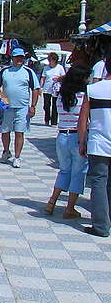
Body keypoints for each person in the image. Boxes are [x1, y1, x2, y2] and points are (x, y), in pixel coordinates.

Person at [45, 64, 89, 219]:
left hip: (62, 136)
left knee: (64, 170)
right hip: (77, 137)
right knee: (78, 173)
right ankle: (70, 208)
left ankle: (52, 202)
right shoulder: (84, 97)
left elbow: (57, 83)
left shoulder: (61, 95)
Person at [76, 59, 111, 237]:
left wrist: (82, 141)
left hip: (99, 144)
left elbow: (83, 118)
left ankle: (101, 225)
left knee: (98, 182)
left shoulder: (93, 89)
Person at [0, 48, 40, 168]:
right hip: (7, 107)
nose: (19, 59)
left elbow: (35, 89)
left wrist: (33, 106)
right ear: (12, 58)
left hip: (22, 107)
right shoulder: (4, 71)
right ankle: (6, 151)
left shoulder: (28, 72)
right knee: (5, 131)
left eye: (21, 57)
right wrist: (1, 102)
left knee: (19, 132)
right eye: (17, 57)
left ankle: (17, 157)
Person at [40, 52, 66, 127]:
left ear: (55, 60)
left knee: (55, 105)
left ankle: (54, 121)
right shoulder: (46, 68)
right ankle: (47, 119)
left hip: (56, 89)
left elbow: (64, 77)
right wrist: (40, 87)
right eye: (49, 60)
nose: (50, 62)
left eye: (51, 60)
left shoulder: (60, 67)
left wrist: (58, 79)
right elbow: (43, 78)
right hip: (47, 88)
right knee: (46, 105)